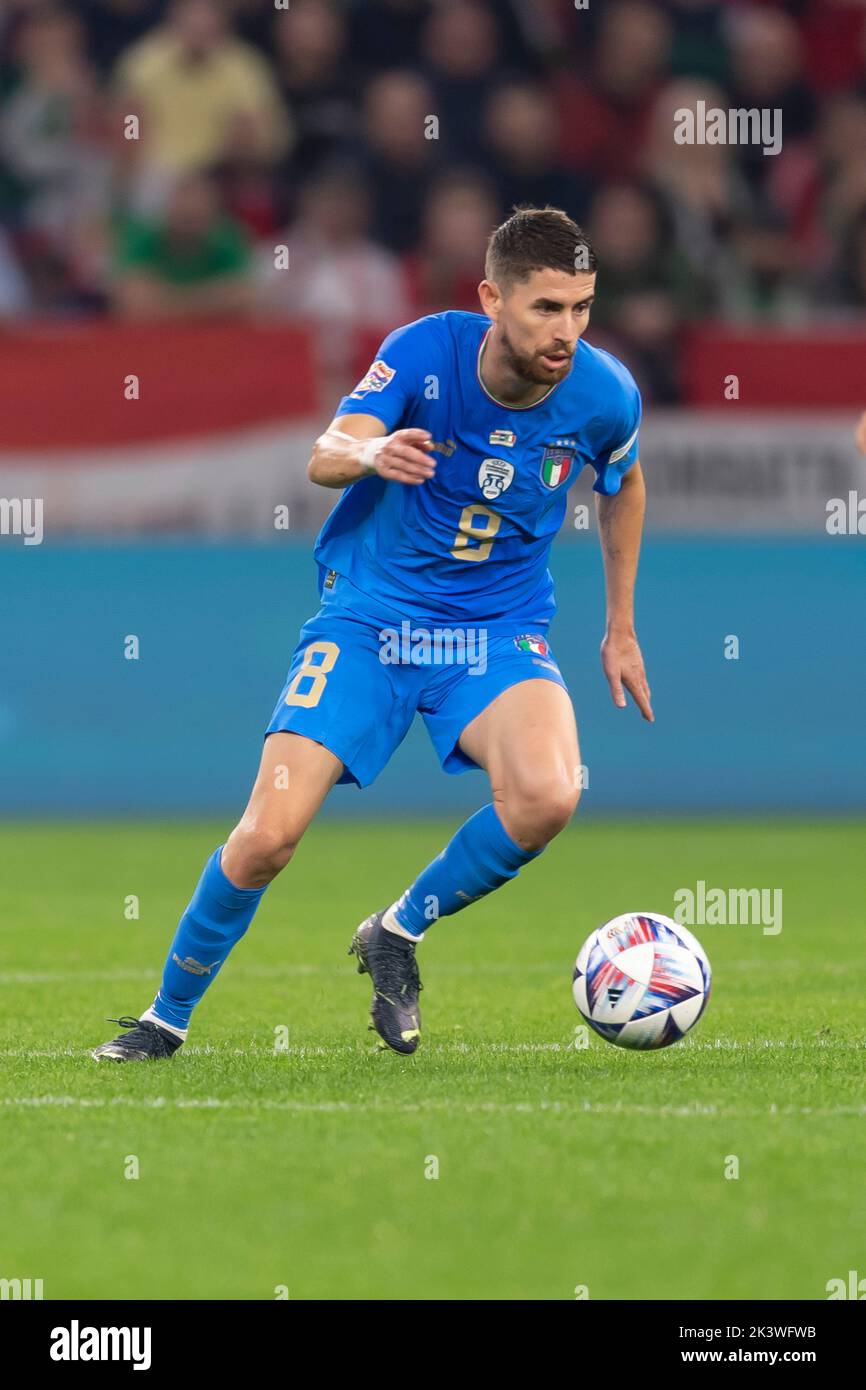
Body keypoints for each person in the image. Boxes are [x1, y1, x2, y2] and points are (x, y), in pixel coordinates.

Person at [92, 204, 653, 1063]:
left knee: (548, 796)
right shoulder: (425, 350)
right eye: (546, 307)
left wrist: (620, 626)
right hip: (371, 622)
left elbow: (624, 485)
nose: (567, 330)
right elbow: (325, 450)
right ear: (492, 299)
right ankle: (166, 1019)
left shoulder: (604, 393)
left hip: (494, 632)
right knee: (268, 836)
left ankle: (395, 932)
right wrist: (370, 454)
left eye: (581, 306)